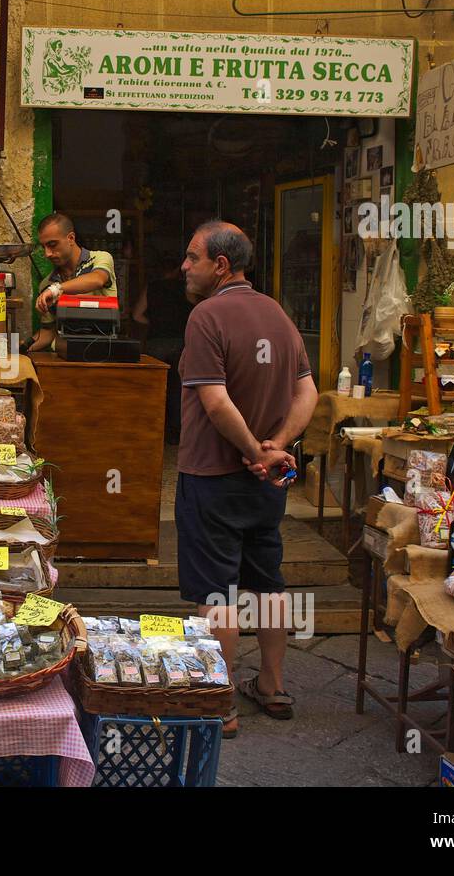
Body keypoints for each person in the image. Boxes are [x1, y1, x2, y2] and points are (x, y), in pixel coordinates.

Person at [175, 221, 318, 739]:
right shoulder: (278, 314)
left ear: (221, 265)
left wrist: (253, 450)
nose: (184, 267)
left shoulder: (206, 316)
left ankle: (222, 699)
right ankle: (274, 686)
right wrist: (276, 447)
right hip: (265, 481)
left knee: (218, 592)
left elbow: (214, 400)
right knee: (266, 583)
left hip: (213, 476)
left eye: (192, 258)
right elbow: (309, 394)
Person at [24, 211, 116, 353]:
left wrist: (56, 289)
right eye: (44, 247)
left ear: (71, 238)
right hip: (65, 354)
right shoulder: (46, 284)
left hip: (102, 350)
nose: (47, 253)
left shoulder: (100, 258)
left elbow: (97, 279)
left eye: (52, 244)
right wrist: (18, 349)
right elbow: (47, 334)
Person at [133, 253, 193, 444]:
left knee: (154, 389)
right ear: (177, 270)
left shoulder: (151, 288)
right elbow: (199, 310)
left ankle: (153, 432)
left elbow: (136, 315)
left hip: (156, 343)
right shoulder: (186, 289)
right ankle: (175, 435)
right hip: (179, 342)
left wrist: (154, 323)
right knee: (178, 390)